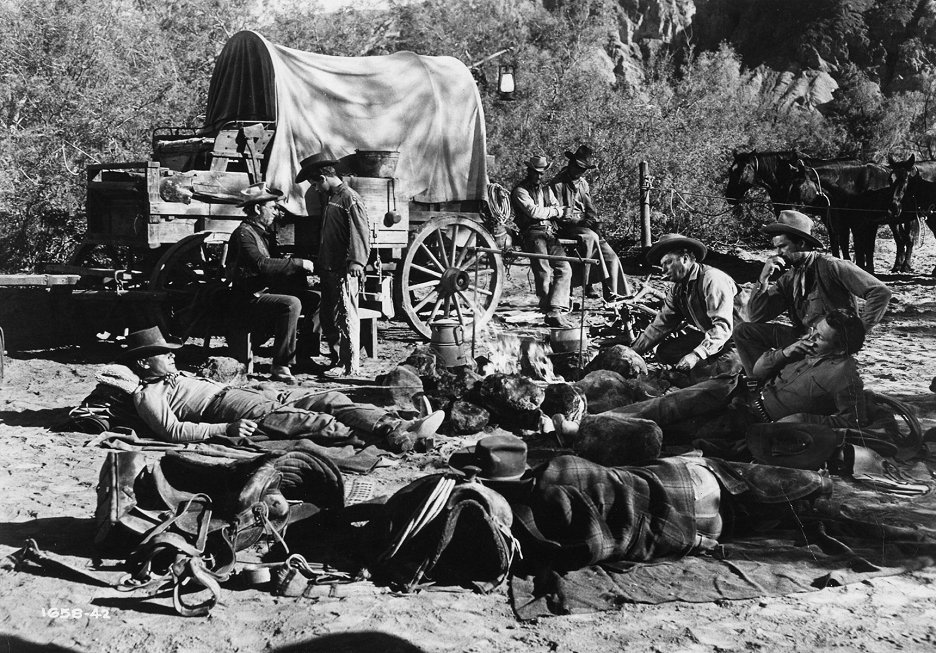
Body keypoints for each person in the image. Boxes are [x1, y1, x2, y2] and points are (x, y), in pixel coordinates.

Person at [448, 434, 832, 569]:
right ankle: (815, 487)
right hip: (686, 485)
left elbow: (623, 534)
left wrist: (697, 542)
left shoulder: (540, 513)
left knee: (745, 507)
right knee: (735, 479)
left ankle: (805, 497)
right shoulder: (560, 471)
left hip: (687, 505)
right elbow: (637, 524)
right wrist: (696, 542)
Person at [124, 326, 443, 452]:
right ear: (142, 364)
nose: (171, 355)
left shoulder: (174, 377)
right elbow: (172, 431)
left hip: (247, 396)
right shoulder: (148, 394)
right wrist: (227, 427)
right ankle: (393, 440)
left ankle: (397, 426)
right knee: (313, 423)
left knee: (329, 398)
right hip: (224, 409)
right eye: (162, 353)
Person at [603, 308, 867, 437]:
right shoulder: (803, 349)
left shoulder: (846, 376)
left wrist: (803, 419)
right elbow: (759, 369)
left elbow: (852, 422)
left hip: (752, 420)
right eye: (813, 331)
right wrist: (786, 353)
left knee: (679, 429)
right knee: (671, 404)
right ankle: (598, 421)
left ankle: (607, 430)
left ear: (841, 348)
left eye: (820, 338)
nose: (811, 339)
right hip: (737, 389)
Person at [735, 210, 892, 376]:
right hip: (802, 340)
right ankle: (759, 386)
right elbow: (757, 316)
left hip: (828, 343)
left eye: (782, 246)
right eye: (776, 248)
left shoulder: (831, 266)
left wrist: (855, 333)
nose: (778, 253)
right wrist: (763, 279)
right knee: (744, 331)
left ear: (801, 243)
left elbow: (880, 292)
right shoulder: (789, 278)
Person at [224, 182, 317, 383]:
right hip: (246, 299)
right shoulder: (243, 234)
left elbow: (274, 262)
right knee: (291, 304)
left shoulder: (262, 233)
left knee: (316, 299)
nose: (276, 212)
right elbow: (260, 264)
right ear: (257, 208)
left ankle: (303, 355)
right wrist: (297, 264)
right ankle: (280, 365)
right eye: (272, 207)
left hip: (263, 293)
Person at [295, 152, 371, 378]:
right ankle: (338, 359)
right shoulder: (333, 199)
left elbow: (360, 231)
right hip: (329, 268)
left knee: (347, 316)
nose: (316, 189)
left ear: (323, 177)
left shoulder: (349, 198)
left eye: (315, 184)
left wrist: (357, 261)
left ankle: (350, 366)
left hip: (344, 268)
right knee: (329, 317)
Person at [630, 233, 741, 378]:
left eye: (667, 263)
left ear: (685, 259)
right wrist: (631, 353)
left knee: (727, 367)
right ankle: (703, 372)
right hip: (712, 337)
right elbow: (660, 325)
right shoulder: (677, 289)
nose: (663, 270)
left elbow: (723, 328)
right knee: (666, 352)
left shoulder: (712, 279)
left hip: (738, 340)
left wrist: (695, 355)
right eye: (661, 265)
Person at [548, 144, 630, 299]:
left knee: (610, 256)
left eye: (583, 169)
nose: (579, 171)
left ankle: (615, 293)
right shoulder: (557, 184)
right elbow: (557, 212)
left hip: (584, 225)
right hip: (565, 226)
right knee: (590, 238)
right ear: (570, 164)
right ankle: (586, 283)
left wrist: (592, 219)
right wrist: (578, 221)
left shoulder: (583, 183)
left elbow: (589, 206)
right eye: (577, 167)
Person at [511, 155, 574, 328]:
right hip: (531, 233)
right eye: (536, 173)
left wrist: (557, 211)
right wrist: (556, 211)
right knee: (543, 270)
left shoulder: (546, 190)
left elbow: (554, 208)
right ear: (529, 171)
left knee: (565, 268)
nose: (539, 176)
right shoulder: (520, 191)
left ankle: (555, 309)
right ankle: (548, 310)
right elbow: (533, 212)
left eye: (542, 173)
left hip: (549, 232)